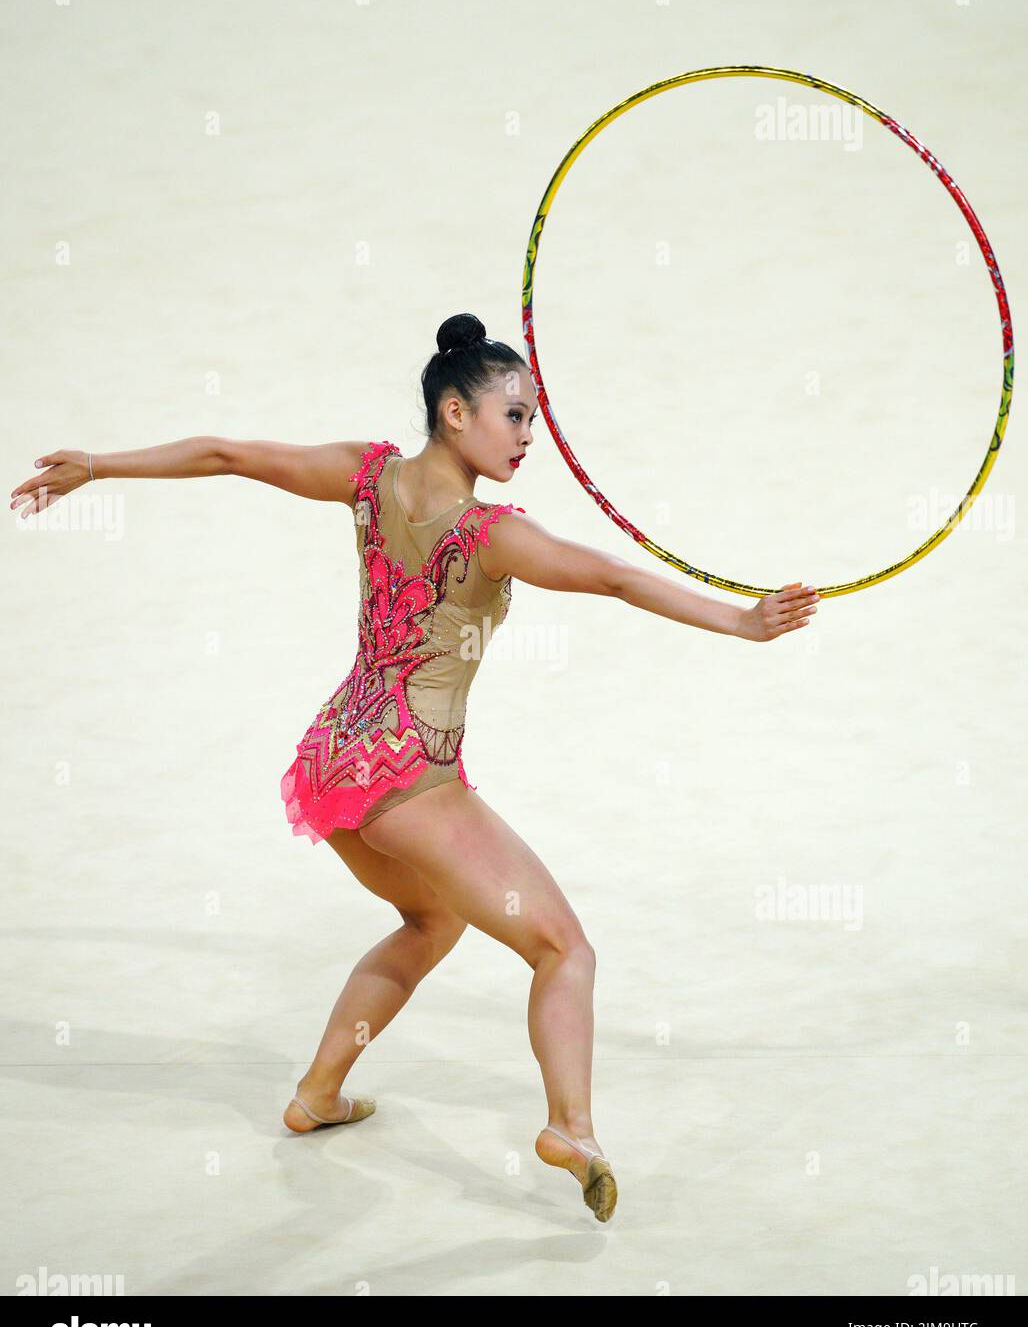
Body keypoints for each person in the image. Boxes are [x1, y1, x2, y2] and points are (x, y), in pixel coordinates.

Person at [11, 311, 820, 1222]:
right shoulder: (489, 534)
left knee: (429, 921)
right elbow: (612, 578)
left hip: (332, 763)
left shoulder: (367, 477)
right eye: (513, 415)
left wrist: (100, 465)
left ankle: (319, 1092)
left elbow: (227, 454)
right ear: (453, 412)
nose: (528, 435)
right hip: (410, 778)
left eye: (531, 418)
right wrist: (740, 622)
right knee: (564, 949)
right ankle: (572, 1126)